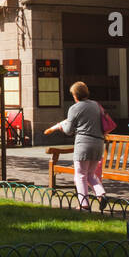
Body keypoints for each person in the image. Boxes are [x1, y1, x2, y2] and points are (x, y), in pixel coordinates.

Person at [44, 80, 106, 209]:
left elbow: (68, 131)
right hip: (99, 143)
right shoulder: (96, 105)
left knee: (80, 174)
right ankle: (101, 195)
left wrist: (61, 126)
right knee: (90, 174)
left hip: (83, 144)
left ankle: (84, 204)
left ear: (75, 95)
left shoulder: (74, 108)